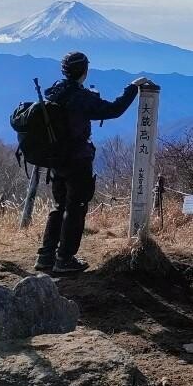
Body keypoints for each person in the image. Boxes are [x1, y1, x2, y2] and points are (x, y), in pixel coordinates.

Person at [36, 51, 154, 275]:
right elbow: (113, 110)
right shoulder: (81, 97)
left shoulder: (54, 92)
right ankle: (65, 259)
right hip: (78, 159)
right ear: (85, 71)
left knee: (59, 207)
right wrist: (132, 87)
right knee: (76, 207)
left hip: (56, 159)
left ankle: (46, 256)